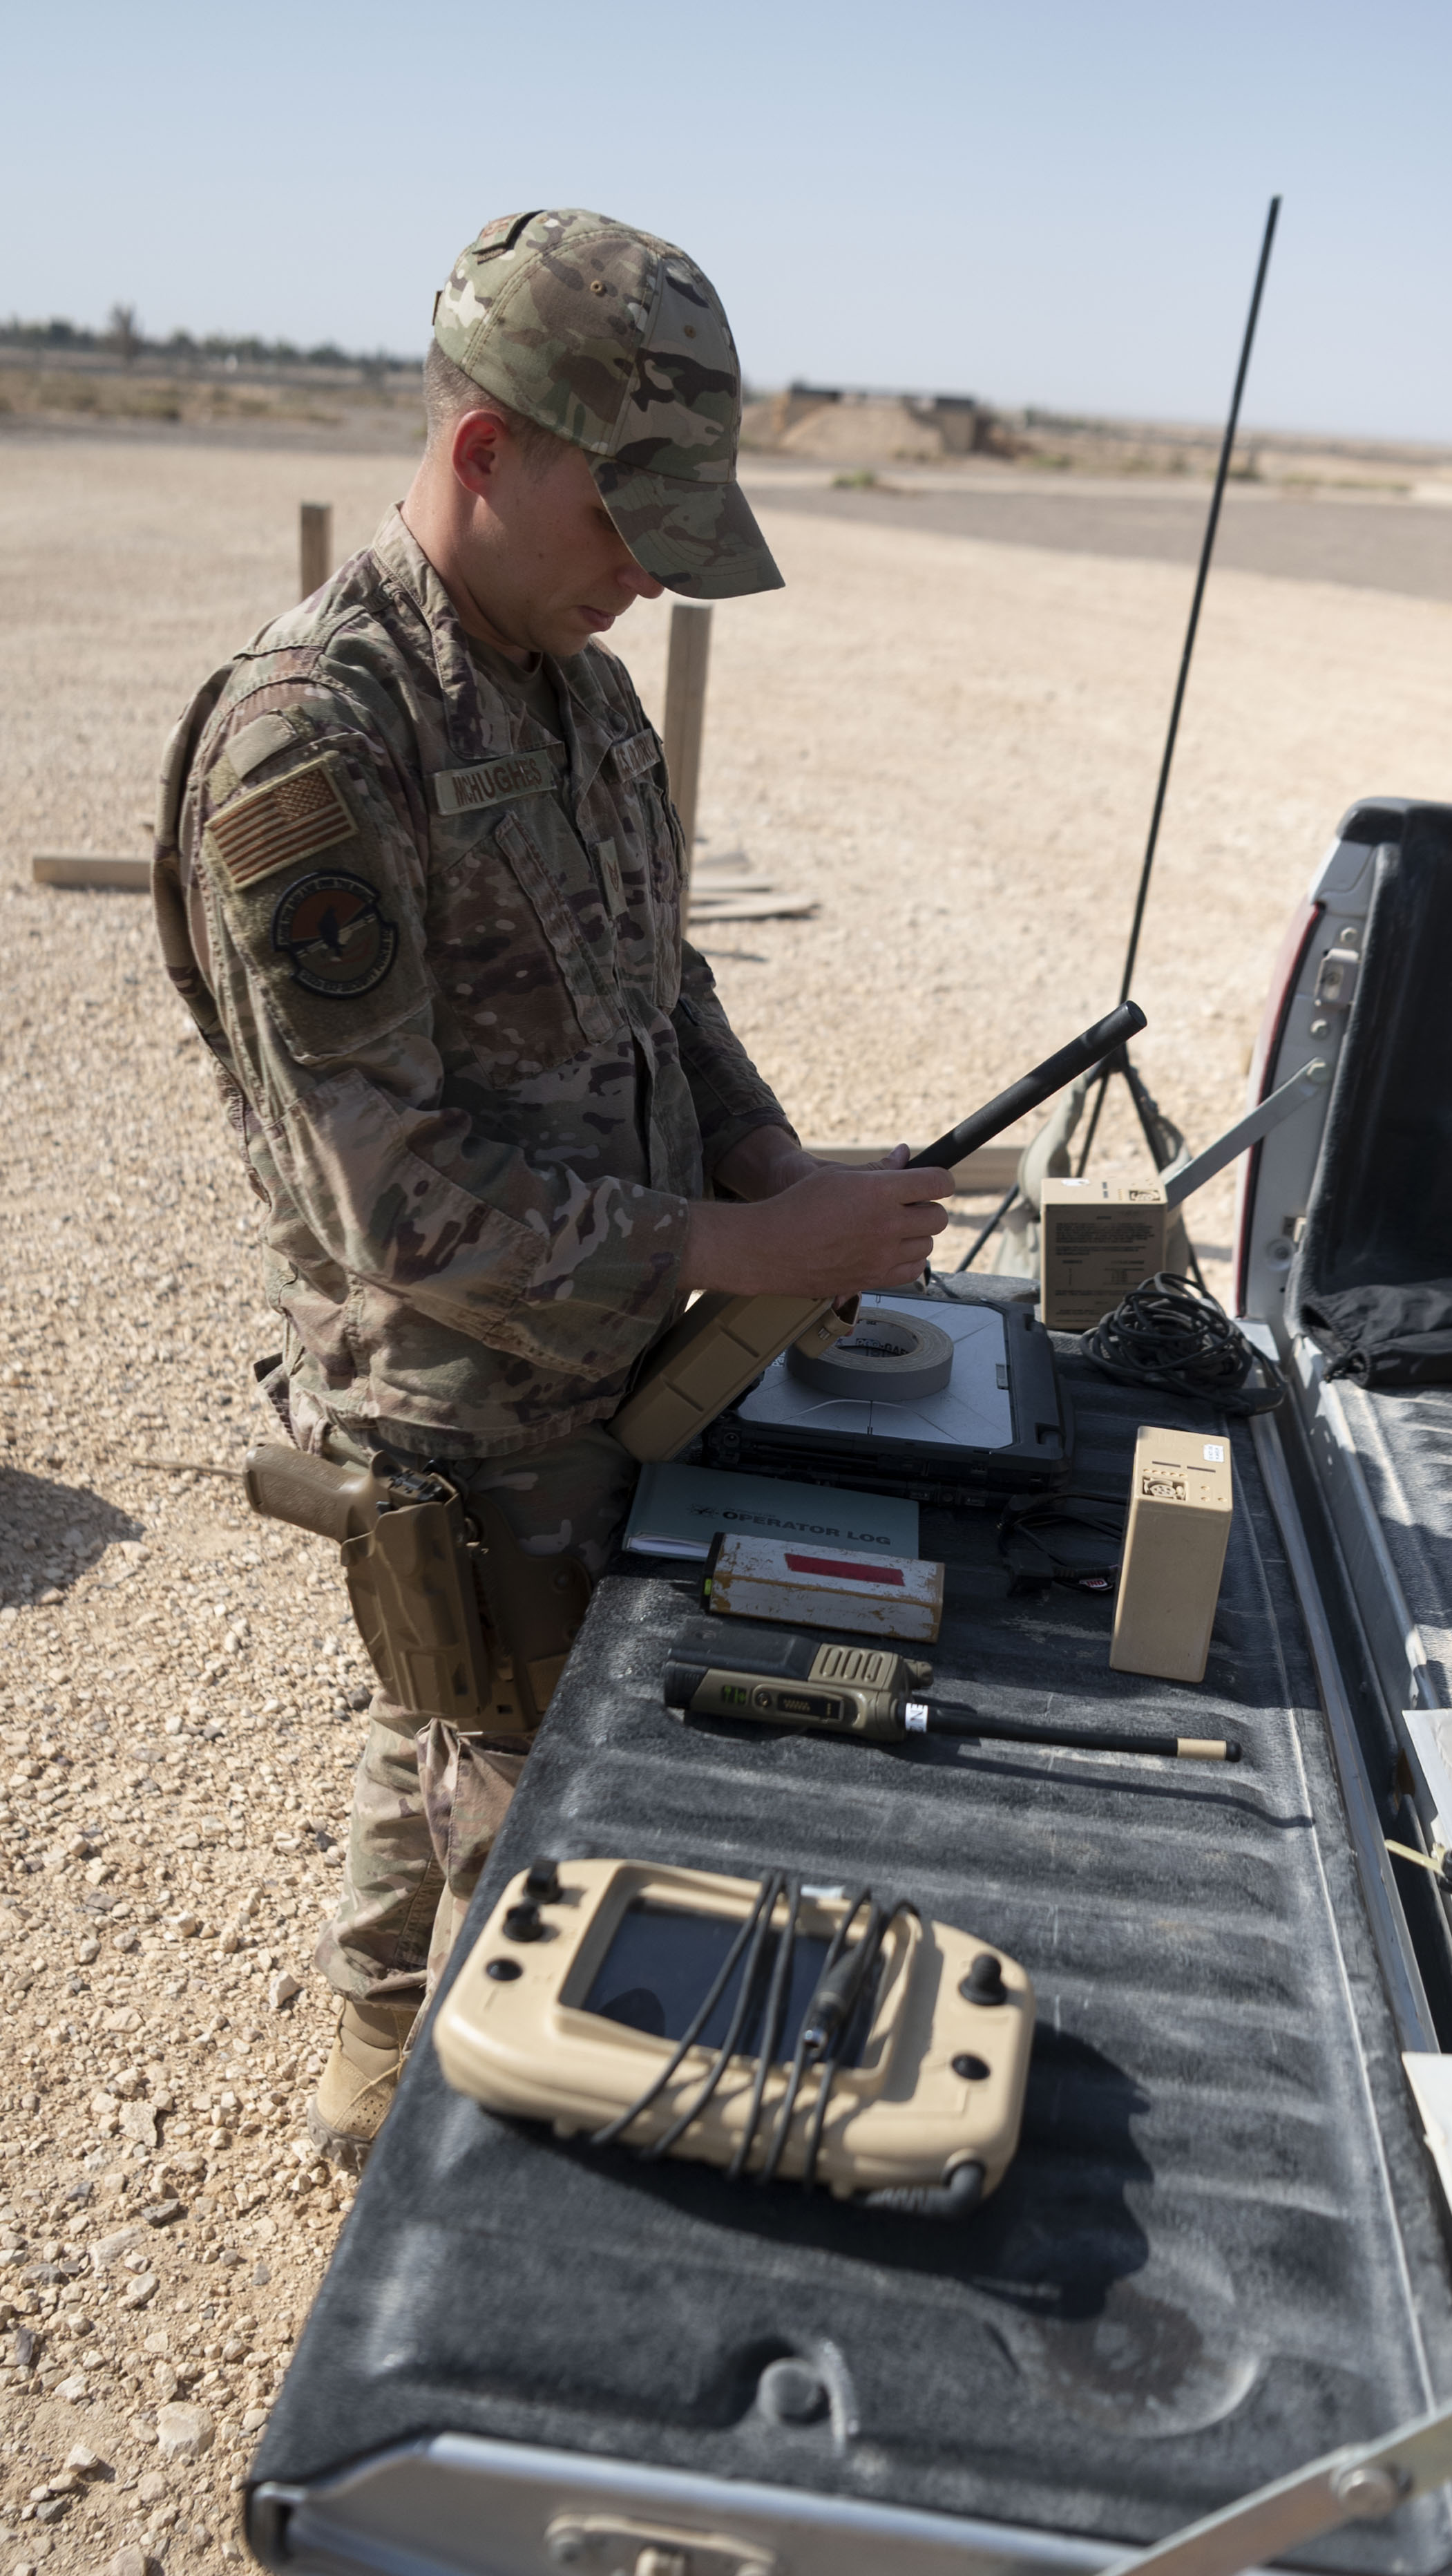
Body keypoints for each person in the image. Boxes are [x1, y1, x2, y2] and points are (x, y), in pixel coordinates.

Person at [151, 207, 951, 2168]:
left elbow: (657, 980)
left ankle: (363, 2055)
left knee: (452, 1722)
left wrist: (771, 1159)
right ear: (487, 449)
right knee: (526, 1792)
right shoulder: (314, 742)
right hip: (462, 1401)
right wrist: (740, 1243)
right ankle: (449, 2187)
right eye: (625, 520)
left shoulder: (581, 693)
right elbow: (388, 1200)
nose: (644, 581)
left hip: (615, 1358)